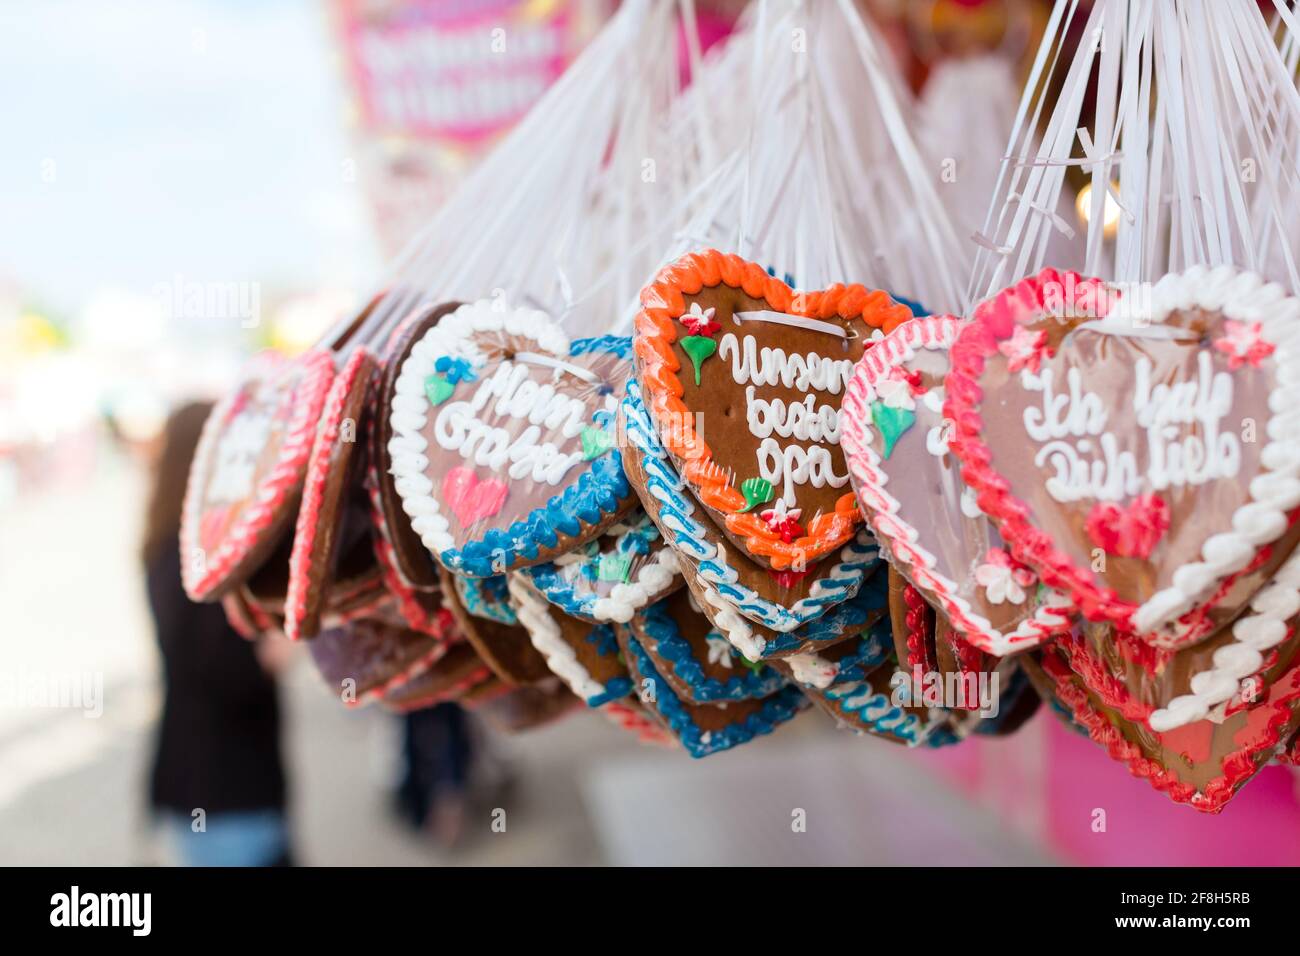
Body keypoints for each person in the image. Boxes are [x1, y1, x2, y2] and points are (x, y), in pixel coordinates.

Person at [141, 401, 292, 866]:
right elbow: (222, 669)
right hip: (224, 784)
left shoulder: (172, 546)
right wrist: (281, 645)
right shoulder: (190, 556)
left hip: (220, 777)